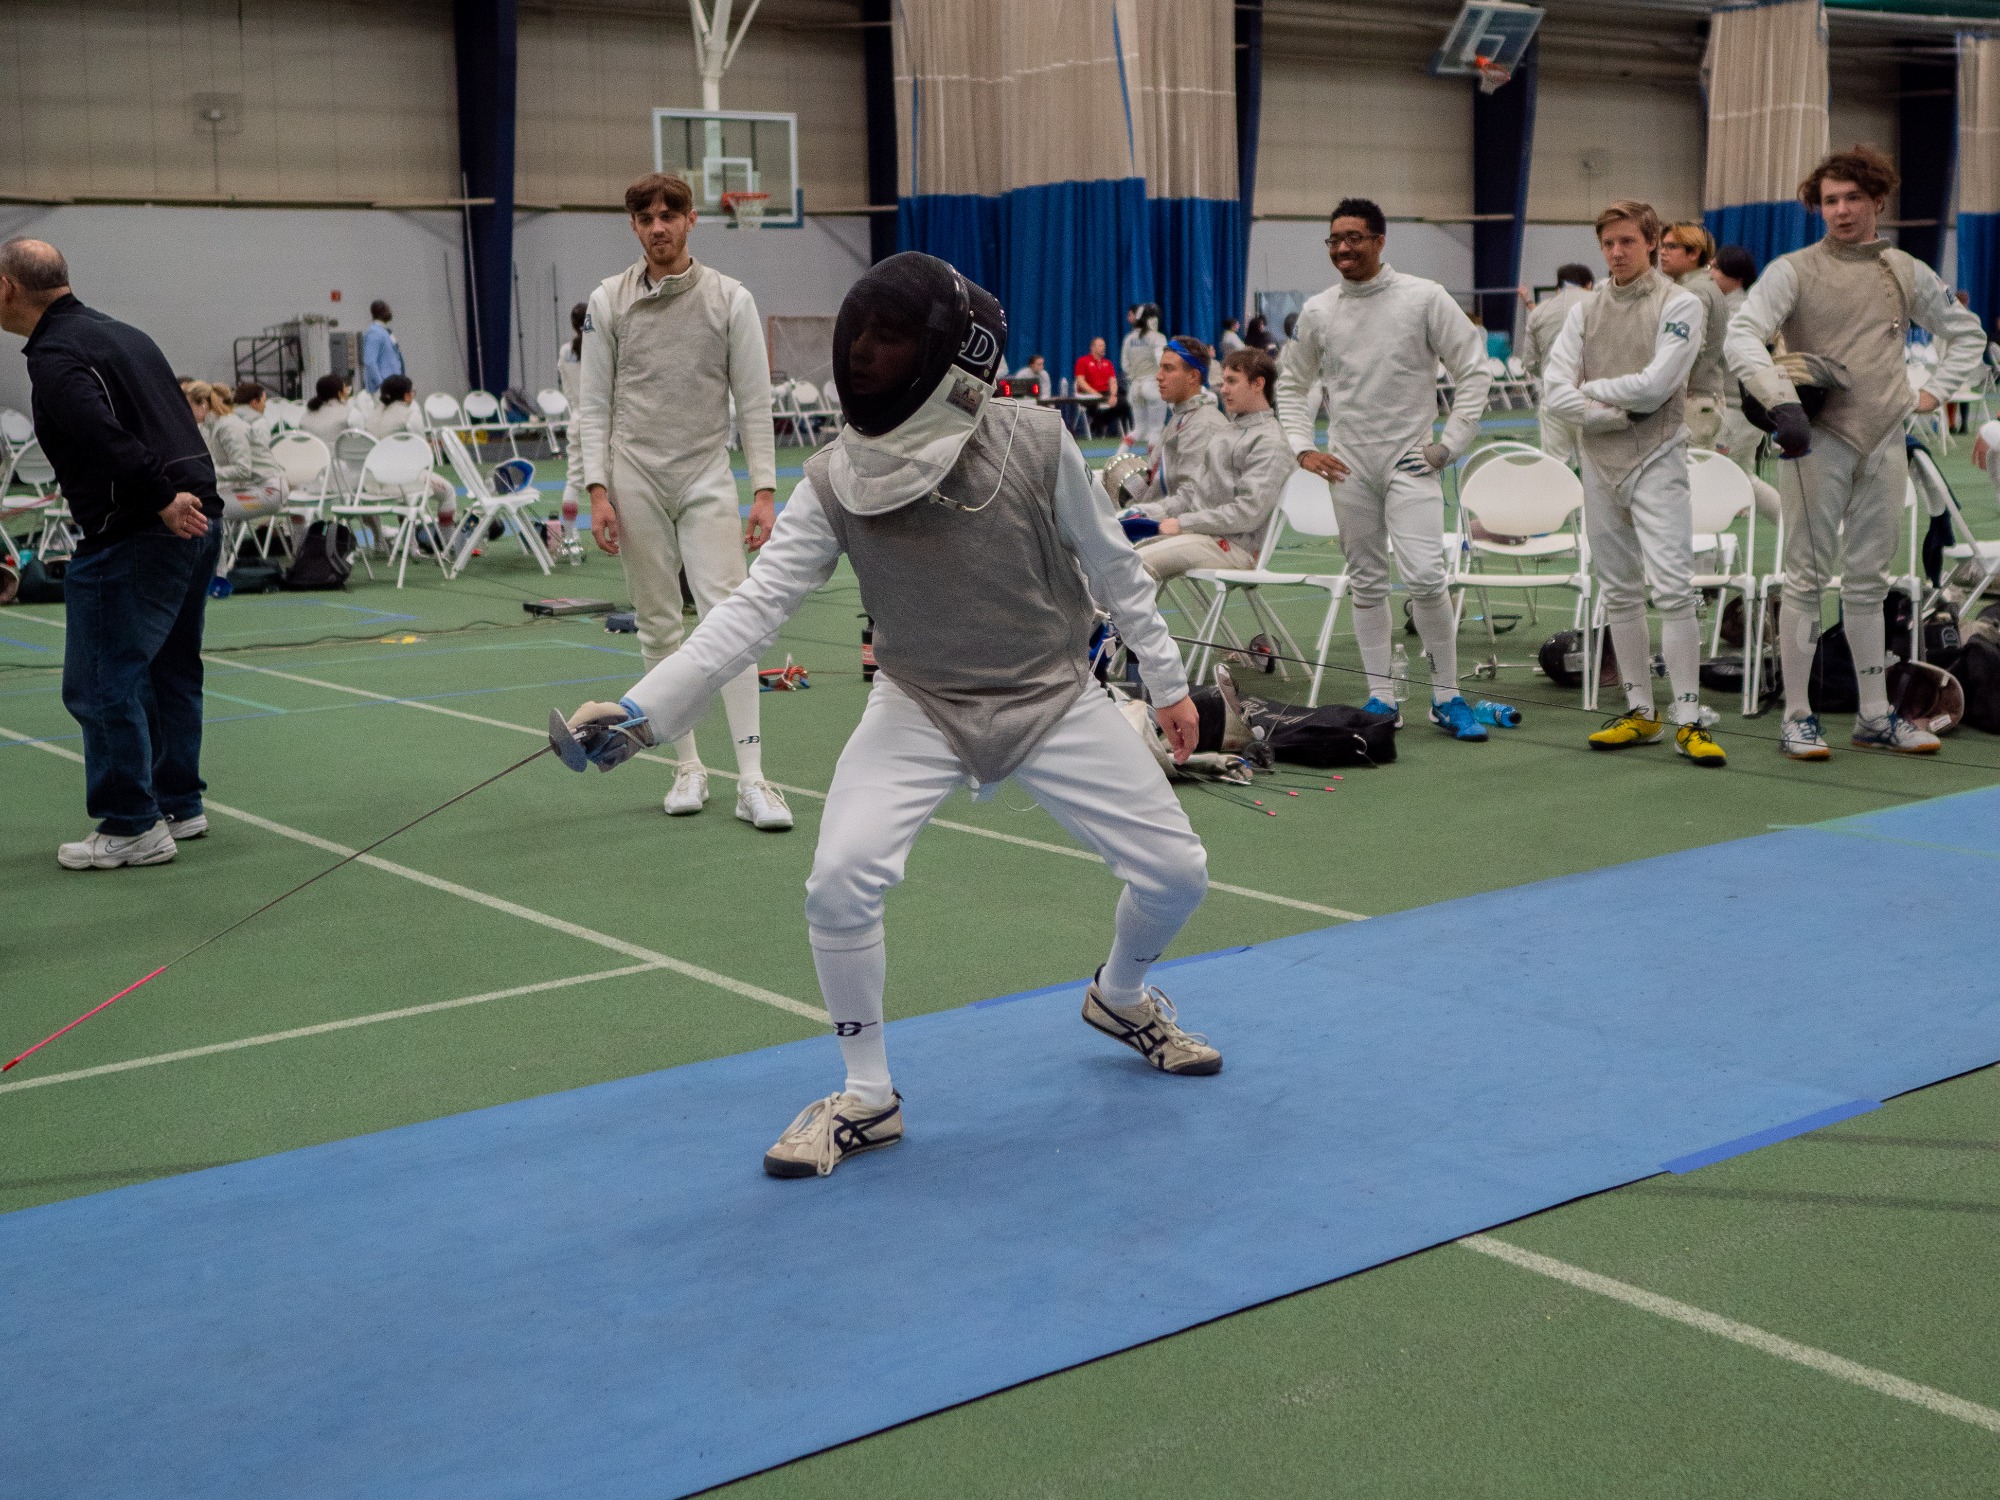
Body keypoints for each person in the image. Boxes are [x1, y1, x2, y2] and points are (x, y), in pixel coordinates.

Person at [555, 252, 1217, 1178]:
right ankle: (867, 1095)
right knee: (838, 880)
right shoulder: (833, 479)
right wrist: (644, 710)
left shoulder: (1035, 438)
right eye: (864, 341)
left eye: (893, 341)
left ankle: (1121, 994)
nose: (870, 355)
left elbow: (1114, 567)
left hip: (1054, 694)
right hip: (918, 702)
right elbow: (749, 613)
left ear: (945, 361)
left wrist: (1171, 680)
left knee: (1178, 872)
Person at [1726, 144, 1984, 759]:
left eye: (1851, 199)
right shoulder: (1793, 269)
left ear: (1876, 202)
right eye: (1829, 201)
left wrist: (1932, 393)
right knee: (1807, 580)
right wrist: (1779, 401)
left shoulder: (1903, 269)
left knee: (1869, 583)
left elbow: (1965, 333)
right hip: (1813, 441)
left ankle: (1874, 716)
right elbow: (1742, 335)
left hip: (1885, 439)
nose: (1840, 211)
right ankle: (1796, 717)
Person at [574, 171, 790, 829]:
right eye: (646, 218)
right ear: (634, 227)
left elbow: (754, 400)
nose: (658, 227)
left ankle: (753, 779)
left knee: (731, 620)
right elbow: (594, 406)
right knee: (658, 623)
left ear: (691, 219)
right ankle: (687, 766)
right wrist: (597, 490)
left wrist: (763, 490)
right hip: (634, 475)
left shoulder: (731, 299)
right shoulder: (607, 301)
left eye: (670, 215)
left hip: (703, 473)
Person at [0, 238, 222, 869]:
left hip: (143, 529)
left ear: (8, 288)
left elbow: (103, 433)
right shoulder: (125, 334)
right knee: (170, 669)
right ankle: (179, 802)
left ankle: (130, 823)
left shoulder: (56, 353)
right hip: (198, 519)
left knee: (100, 682)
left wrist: (158, 499)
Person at [1275, 196, 1494, 740]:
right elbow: (1291, 382)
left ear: (1379, 241)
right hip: (1349, 465)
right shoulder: (1320, 311)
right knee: (1367, 581)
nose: (1343, 248)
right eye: (1334, 240)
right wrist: (1303, 447)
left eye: (1353, 237)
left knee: (1424, 575)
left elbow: (1474, 370)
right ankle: (1382, 696)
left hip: (1411, 459)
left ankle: (1447, 696)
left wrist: (1451, 444)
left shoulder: (1424, 298)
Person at [1541, 200, 1725, 767]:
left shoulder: (1682, 303)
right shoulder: (1585, 310)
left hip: (1658, 457)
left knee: (1671, 588)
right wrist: (1607, 415)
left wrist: (1594, 392)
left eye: (1627, 241)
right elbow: (1554, 387)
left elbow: (1658, 385)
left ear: (1651, 243)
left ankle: (1689, 718)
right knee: (1617, 589)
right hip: (1599, 460)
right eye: (1608, 243)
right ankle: (1641, 710)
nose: (1617, 252)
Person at [1129, 347, 1291, 583]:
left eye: (1232, 381)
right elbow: (1192, 494)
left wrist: (1183, 523)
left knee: (1133, 565)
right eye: (1224, 381)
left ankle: (1112, 620)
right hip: (1202, 535)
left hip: (1236, 547)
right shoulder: (1227, 433)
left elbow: (1247, 514)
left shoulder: (1271, 442)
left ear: (1258, 384)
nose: (1223, 389)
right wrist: (1146, 512)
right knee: (1118, 554)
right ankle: (1109, 620)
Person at [188, 380, 286, 558]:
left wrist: (207, 474)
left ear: (203, 404)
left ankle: (218, 575)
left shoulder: (228, 426)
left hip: (269, 492)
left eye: (188, 405)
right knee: (205, 503)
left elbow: (242, 470)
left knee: (209, 509)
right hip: (251, 488)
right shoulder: (212, 427)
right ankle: (218, 572)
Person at [1130, 336, 1229, 511]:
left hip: (1191, 528)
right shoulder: (1182, 415)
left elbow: (1191, 500)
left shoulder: (1203, 425)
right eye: (1160, 368)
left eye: (1168, 369)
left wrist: (1137, 515)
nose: (1158, 376)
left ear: (1193, 376)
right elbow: (1151, 477)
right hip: (1170, 518)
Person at [1658, 223, 1730, 450]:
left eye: (1671, 246)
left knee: (1689, 481)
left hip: (1693, 402)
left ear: (1694, 252)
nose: (1662, 252)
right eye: (1661, 246)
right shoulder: (1705, 286)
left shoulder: (1695, 291)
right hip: (1704, 400)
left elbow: (1690, 347)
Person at [1520, 264, 1594, 465]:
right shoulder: (1599, 303)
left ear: (1557, 286)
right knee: (1593, 467)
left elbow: (1530, 362)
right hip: (1591, 398)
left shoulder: (1540, 312)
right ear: (1589, 284)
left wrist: (1549, 373)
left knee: (1555, 466)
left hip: (1553, 398)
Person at [1122, 303, 1167, 448]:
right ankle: (1152, 468)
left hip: (1135, 388)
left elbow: (1125, 365)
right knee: (1156, 430)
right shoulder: (1157, 337)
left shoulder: (1129, 339)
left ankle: (1118, 455)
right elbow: (1162, 361)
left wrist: (1134, 376)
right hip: (1153, 386)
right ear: (1153, 319)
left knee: (1139, 430)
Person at [1071, 335, 1120, 438]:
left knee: (1122, 404)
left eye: (1104, 346)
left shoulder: (1108, 363)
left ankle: (1097, 425)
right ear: (1092, 347)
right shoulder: (1082, 361)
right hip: (1088, 394)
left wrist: (1113, 395)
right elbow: (1080, 381)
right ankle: (1097, 426)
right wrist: (1095, 394)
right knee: (1095, 406)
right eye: (1101, 346)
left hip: (1105, 393)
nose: (1104, 348)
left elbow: (1113, 381)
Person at [299, 374, 357, 445]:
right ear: (339, 393)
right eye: (345, 388)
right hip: (337, 455)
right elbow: (359, 440)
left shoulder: (305, 417)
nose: (348, 392)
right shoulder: (349, 414)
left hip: (312, 455)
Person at [361, 300, 404, 394]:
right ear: (382, 311)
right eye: (388, 309)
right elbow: (370, 362)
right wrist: (381, 385)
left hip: (394, 385)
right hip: (384, 389)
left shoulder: (385, 332)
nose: (390, 312)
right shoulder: (374, 333)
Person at [366, 373, 427, 437]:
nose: (413, 394)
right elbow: (420, 443)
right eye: (412, 391)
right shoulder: (410, 416)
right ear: (407, 396)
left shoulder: (371, 416)